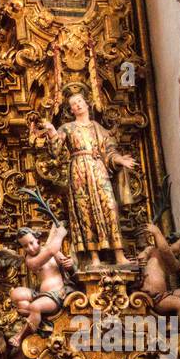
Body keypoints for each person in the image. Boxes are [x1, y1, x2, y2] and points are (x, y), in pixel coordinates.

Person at [36, 91, 136, 265]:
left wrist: (120, 159)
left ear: (87, 104)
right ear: (71, 110)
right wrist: (52, 131)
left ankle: (119, 254)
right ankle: (93, 257)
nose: (78, 105)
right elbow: (55, 150)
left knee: (109, 208)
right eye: (74, 104)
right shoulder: (67, 128)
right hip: (79, 172)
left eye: (80, 101)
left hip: (98, 169)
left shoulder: (98, 128)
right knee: (85, 210)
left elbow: (110, 151)